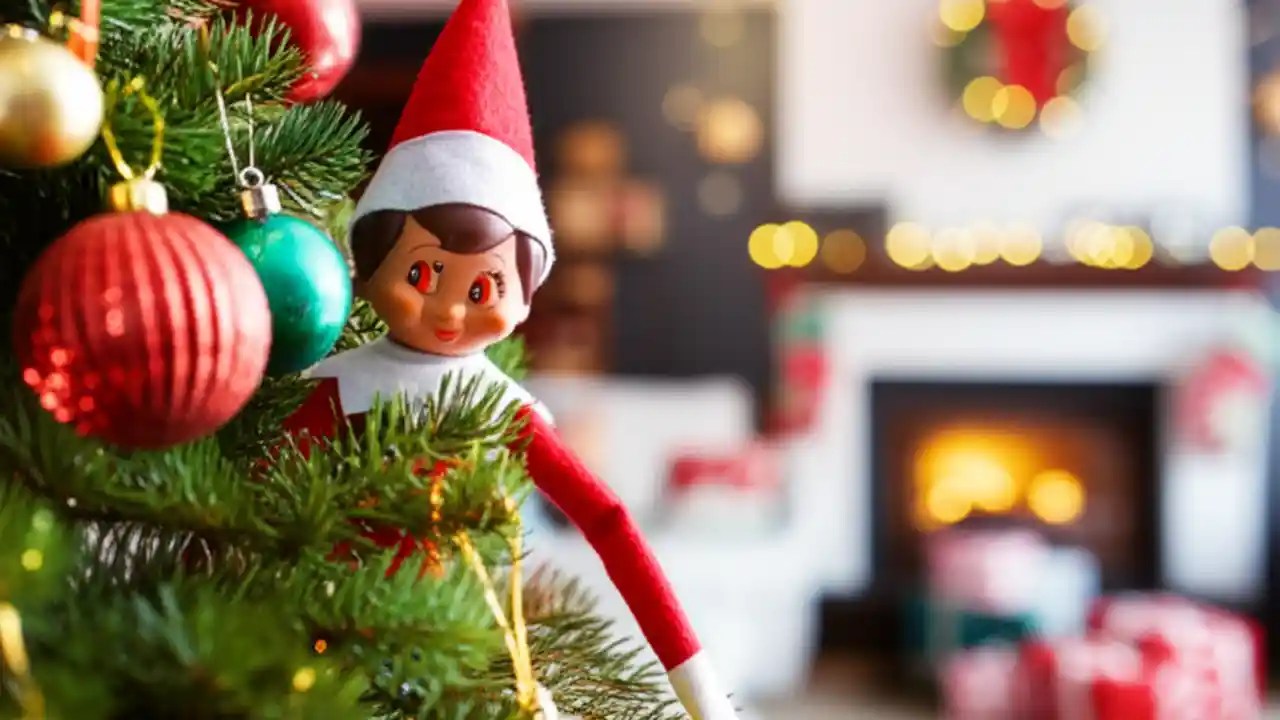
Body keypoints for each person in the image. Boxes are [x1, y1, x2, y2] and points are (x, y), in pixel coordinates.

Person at [284, 1, 740, 717]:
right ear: (369, 267)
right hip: (318, 647)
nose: (449, 312)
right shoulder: (335, 389)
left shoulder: (500, 411)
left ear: (526, 295)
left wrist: (700, 692)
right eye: (423, 275)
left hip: (463, 651)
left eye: (484, 287)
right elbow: (244, 499)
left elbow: (611, 524)